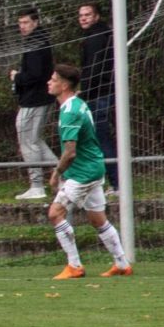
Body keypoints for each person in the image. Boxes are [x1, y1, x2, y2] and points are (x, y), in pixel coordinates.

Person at [46, 63, 132, 280]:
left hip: (82, 172)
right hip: (94, 166)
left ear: (64, 85)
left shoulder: (70, 111)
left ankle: (74, 265)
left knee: (55, 213)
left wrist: (57, 172)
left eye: (54, 79)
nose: (49, 82)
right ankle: (122, 264)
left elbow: (70, 151)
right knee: (98, 219)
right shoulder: (78, 104)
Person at [10, 9, 57, 200]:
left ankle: (37, 186)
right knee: (34, 139)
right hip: (36, 98)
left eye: (26, 22)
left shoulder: (37, 42)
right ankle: (65, 174)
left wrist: (17, 77)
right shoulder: (35, 40)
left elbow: (37, 74)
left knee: (27, 139)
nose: (22, 26)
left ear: (36, 22)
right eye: (20, 23)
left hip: (35, 99)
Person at [78, 3, 117, 192]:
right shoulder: (98, 34)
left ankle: (116, 183)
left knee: (101, 139)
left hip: (99, 95)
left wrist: (83, 91)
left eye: (87, 15)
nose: (84, 18)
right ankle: (110, 181)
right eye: (81, 15)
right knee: (100, 138)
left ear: (96, 17)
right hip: (101, 93)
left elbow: (94, 69)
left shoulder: (95, 37)